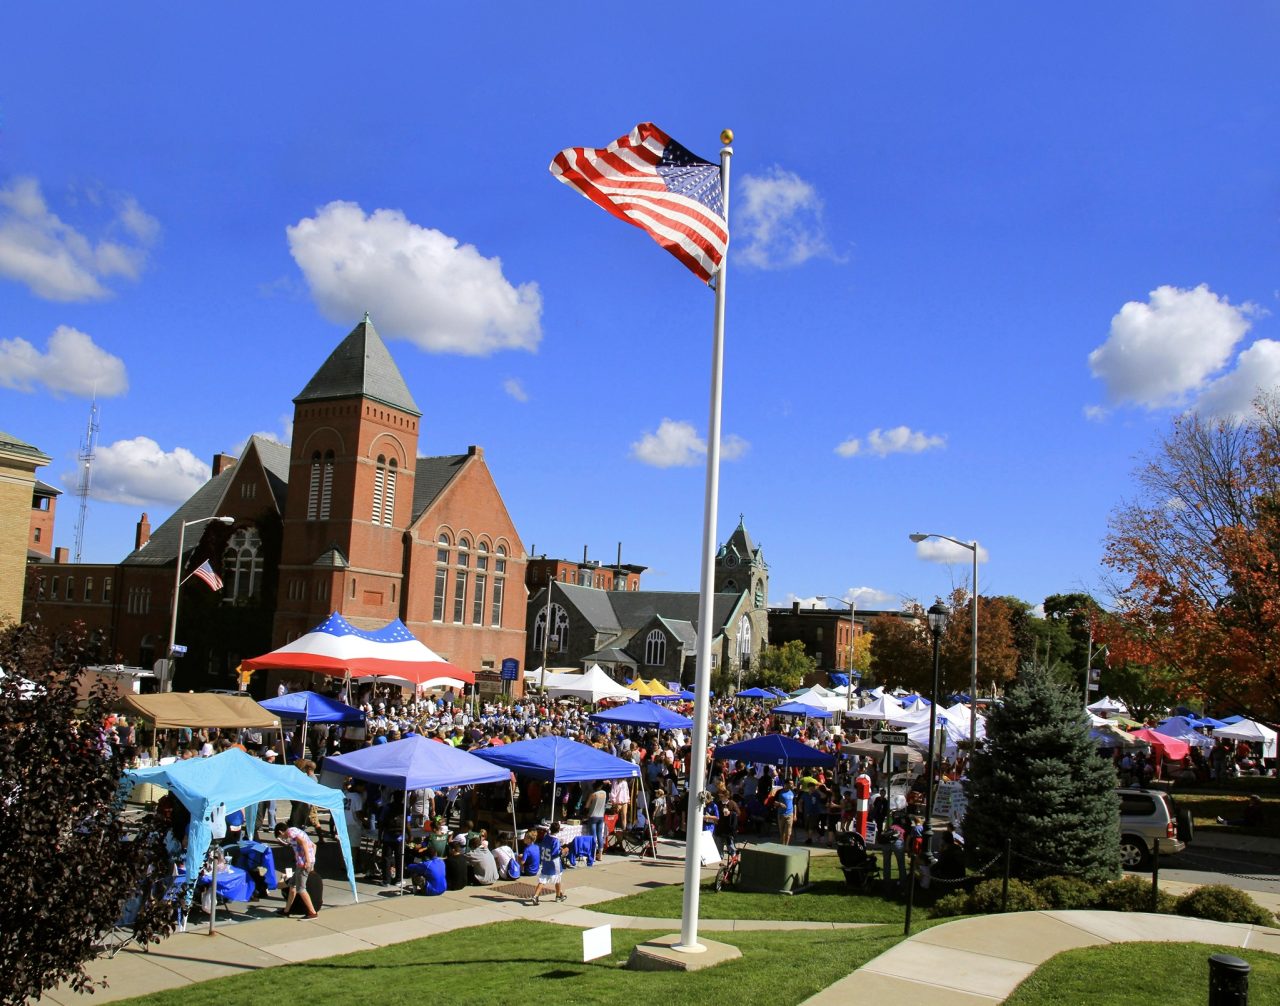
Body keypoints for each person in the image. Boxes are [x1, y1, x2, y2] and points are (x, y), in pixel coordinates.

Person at [273, 822, 319, 919]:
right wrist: (312, 860)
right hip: (301, 863)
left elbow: (304, 843)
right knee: (292, 885)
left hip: (303, 864)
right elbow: (313, 845)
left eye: (281, 837)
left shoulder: (291, 833)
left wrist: (308, 861)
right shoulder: (295, 830)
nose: (283, 839)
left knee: (301, 889)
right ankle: (286, 911)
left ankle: (312, 913)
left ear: (281, 832)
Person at [530, 821, 566, 906]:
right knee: (557, 878)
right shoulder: (556, 840)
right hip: (554, 862)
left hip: (546, 861)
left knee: (543, 879)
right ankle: (558, 896)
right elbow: (555, 853)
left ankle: (536, 896)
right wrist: (563, 851)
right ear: (558, 830)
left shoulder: (546, 837)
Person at [583, 781, 608, 858]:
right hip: (601, 816)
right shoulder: (604, 793)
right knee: (600, 835)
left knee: (593, 835)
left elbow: (587, 806)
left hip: (593, 816)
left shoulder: (593, 794)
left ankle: (593, 854)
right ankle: (600, 854)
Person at [776, 778, 796, 845]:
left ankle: (786, 846)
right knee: (782, 833)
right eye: (791, 784)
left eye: (792, 784)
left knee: (788, 833)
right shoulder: (779, 792)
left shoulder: (793, 792)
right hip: (781, 814)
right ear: (786, 784)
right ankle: (782, 846)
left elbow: (794, 804)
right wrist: (780, 804)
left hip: (790, 814)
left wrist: (795, 814)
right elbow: (774, 802)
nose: (792, 785)